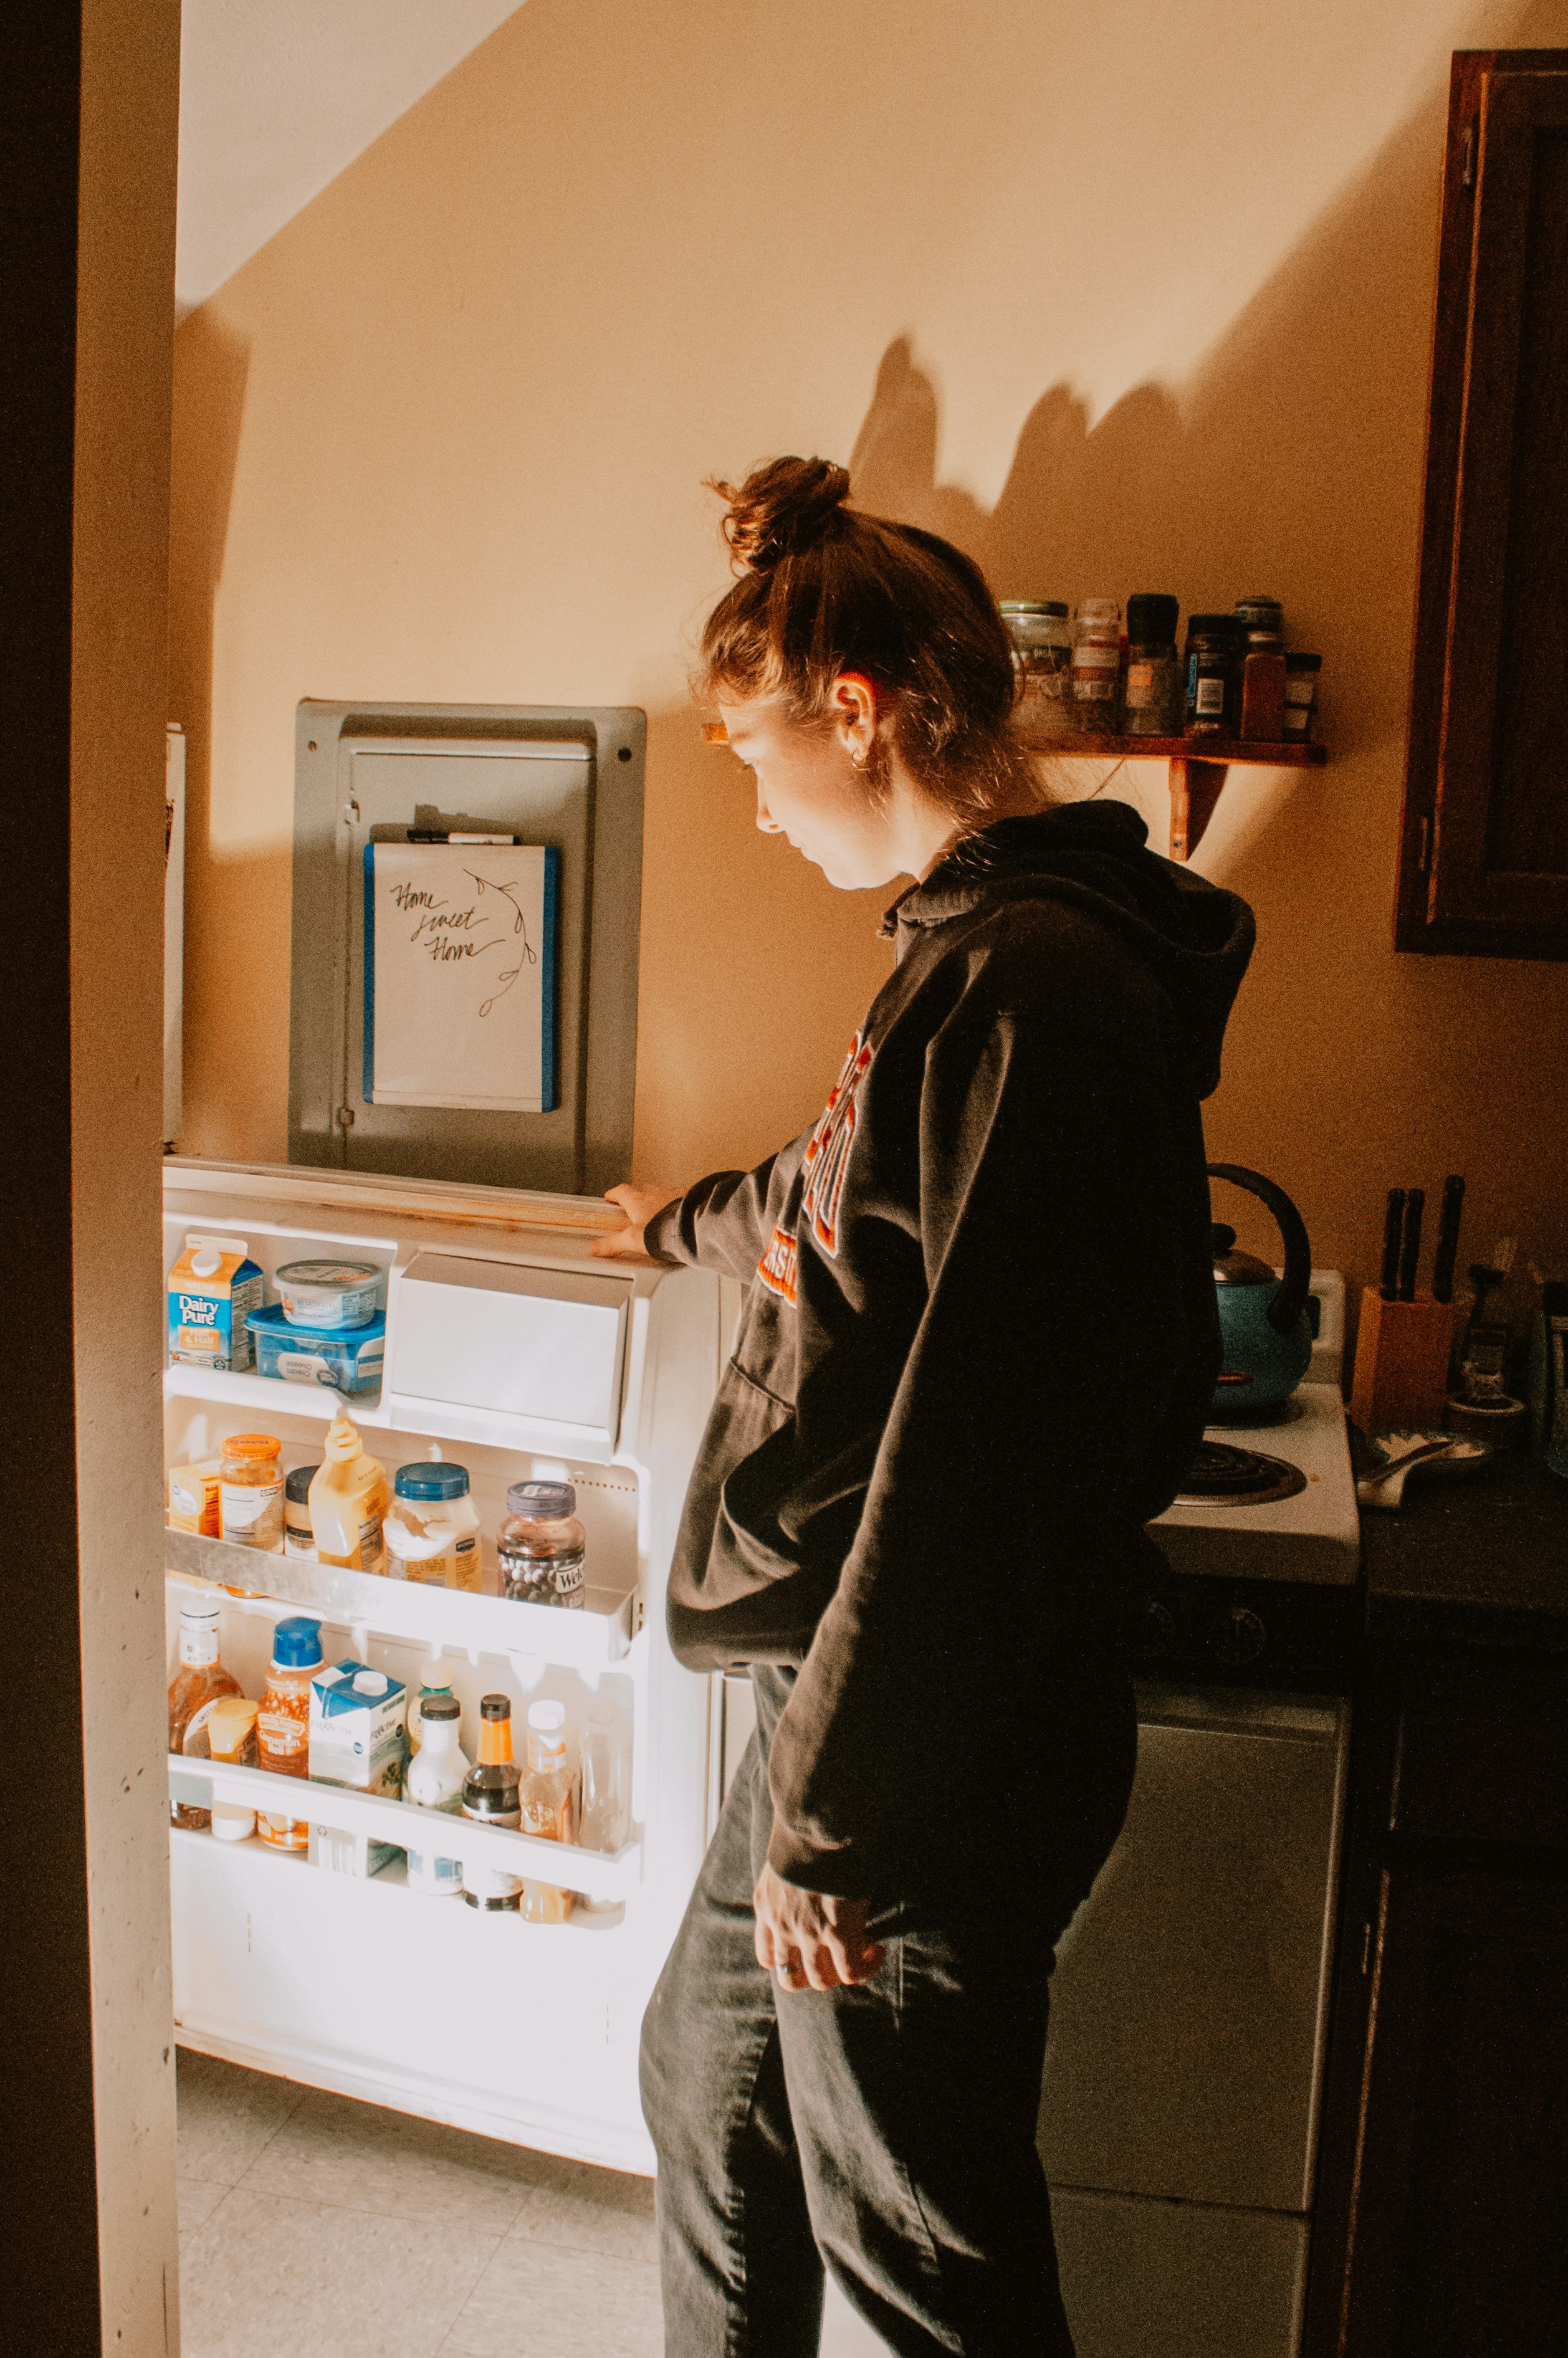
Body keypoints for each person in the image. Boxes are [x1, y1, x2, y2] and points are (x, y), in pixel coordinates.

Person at [593, 456, 1255, 2357]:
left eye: (746, 750)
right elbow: (841, 1211)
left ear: (858, 711)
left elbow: (984, 1459)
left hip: (935, 1736)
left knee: (913, 2233)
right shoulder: (967, 957)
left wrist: (840, 1823)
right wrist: (678, 1228)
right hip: (857, 1710)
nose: (749, 801)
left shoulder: (1031, 988)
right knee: (709, 2092)